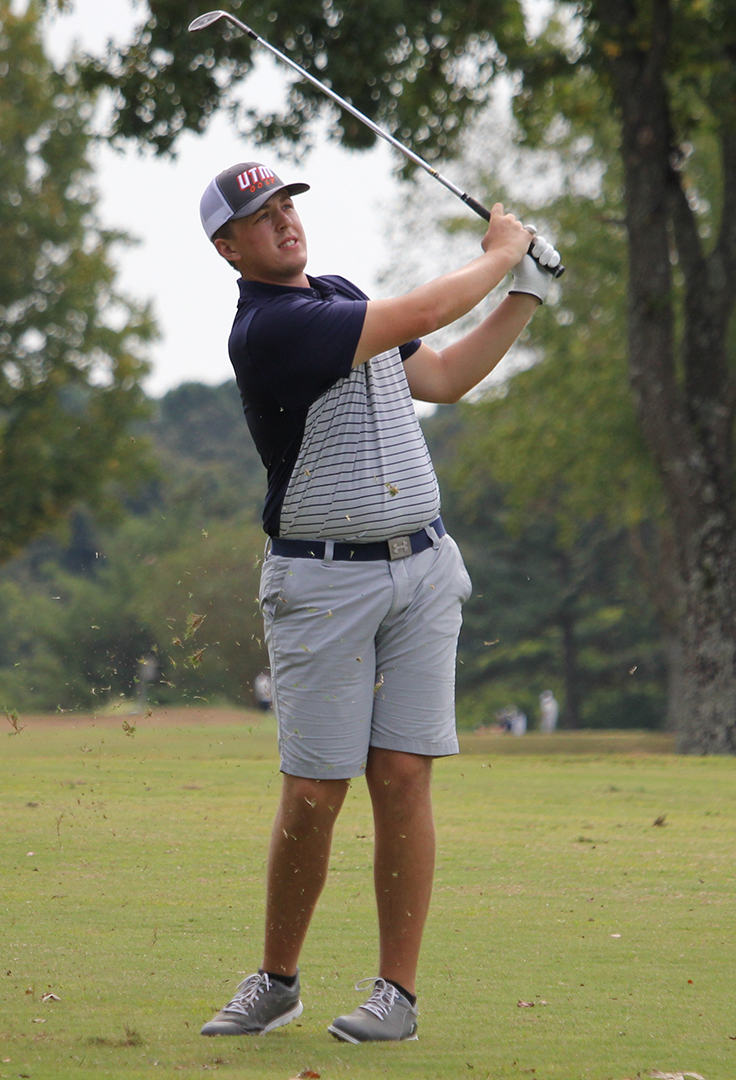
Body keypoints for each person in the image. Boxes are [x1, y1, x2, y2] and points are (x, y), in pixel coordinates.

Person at [194, 161, 551, 1044]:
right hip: (323, 583)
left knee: (402, 776)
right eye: (259, 215)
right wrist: (504, 254)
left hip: (423, 568)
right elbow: (426, 312)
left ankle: (398, 995)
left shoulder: (337, 294)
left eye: (285, 205)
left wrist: (527, 294)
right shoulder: (270, 329)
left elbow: (442, 377)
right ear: (227, 246)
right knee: (315, 790)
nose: (282, 221)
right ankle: (278, 979)